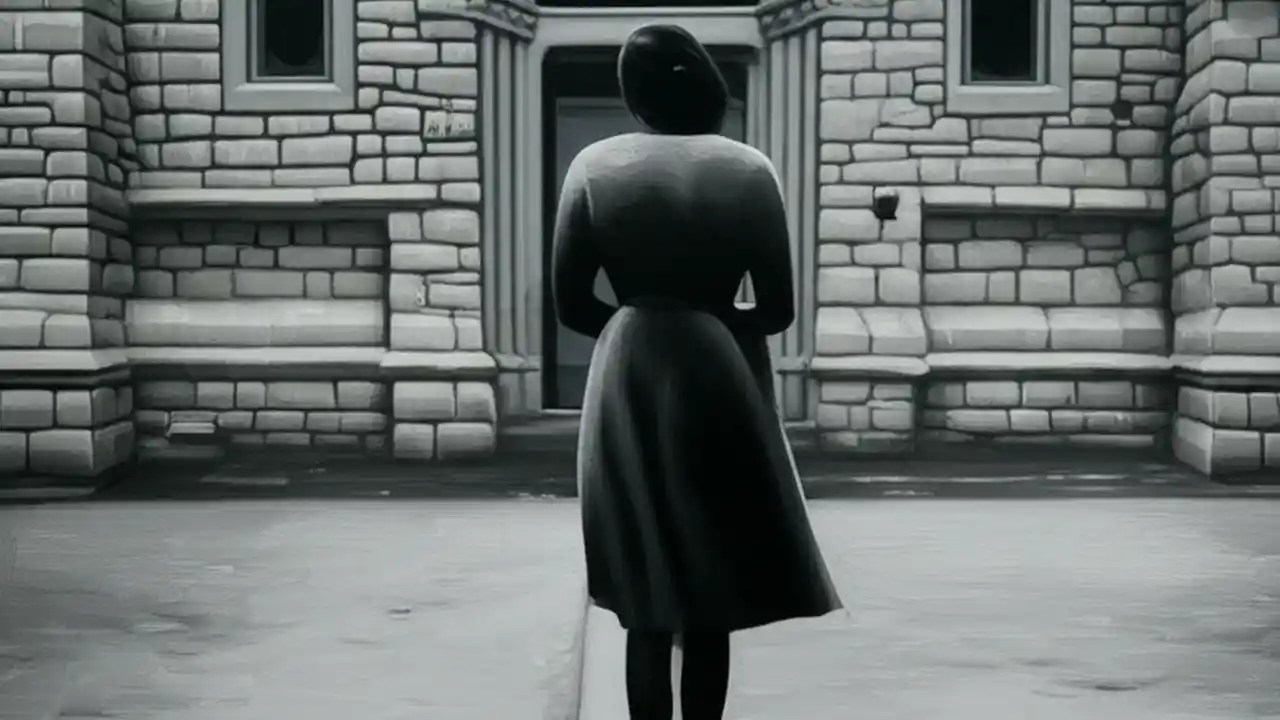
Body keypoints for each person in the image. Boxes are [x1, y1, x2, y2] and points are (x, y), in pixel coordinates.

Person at [551, 23, 843, 720]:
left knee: (645, 592)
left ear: (633, 92)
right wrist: (707, 328)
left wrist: (635, 327)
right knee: (712, 585)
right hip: (716, 371)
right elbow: (776, 308)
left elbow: (570, 301)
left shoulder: (594, 166)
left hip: (629, 371)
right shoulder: (748, 168)